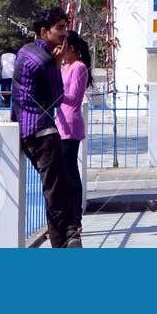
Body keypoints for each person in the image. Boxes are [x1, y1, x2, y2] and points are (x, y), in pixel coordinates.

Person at [12, 7, 74, 247]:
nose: (64, 32)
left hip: (28, 128)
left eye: (65, 26)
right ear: (44, 31)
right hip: (42, 132)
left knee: (58, 188)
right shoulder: (45, 59)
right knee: (56, 192)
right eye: (59, 28)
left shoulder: (26, 51)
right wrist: (58, 64)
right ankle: (62, 243)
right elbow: (58, 98)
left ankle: (67, 234)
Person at [54, 32, 92, 248]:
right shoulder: (65, 67)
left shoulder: (78, 67)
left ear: (72, 47)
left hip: (70, 124)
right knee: (64, 173)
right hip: (61, 124)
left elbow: (73, 97)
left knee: (70, 173)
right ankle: (68, 217)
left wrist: (55, 94)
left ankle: (74, 220)